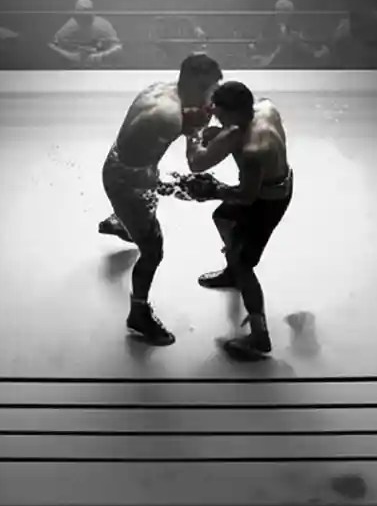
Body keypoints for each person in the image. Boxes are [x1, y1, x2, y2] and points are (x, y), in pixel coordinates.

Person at [97, 53, 225, 345]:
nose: (212, 97)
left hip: (120, 164)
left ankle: (122, 223)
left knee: (143, 213)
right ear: (197, 84)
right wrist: (197, 132)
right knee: (153, 250)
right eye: (210, 90)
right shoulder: (169, 117)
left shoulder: (160, 89)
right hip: (128, 182)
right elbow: (194, 161)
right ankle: (138, 314)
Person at [185, 81, 292, 358]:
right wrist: (223, 132)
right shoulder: (265, 107)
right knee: (222, 216)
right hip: (275, 182)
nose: (216, 117)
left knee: (244, 263)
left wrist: (212, 188)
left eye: (219, 113)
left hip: (267, 201)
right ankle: (232, 270)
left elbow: (245, 195)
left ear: (231, 113)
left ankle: (259, 335)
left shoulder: (253, 150)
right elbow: (244, 126)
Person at [49, 0, 123, 68]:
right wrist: (72, 56)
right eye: (81, 14)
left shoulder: (104, 26)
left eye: (87, 13)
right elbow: (52, 46)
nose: (84, 16)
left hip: (100, 69)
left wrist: (100, 56)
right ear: (76, 15)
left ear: (92, 14)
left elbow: (118, 47)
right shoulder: (69, 27)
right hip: (74, 70)